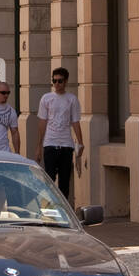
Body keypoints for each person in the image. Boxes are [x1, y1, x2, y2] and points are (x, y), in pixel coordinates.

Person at [35, 67, 83, 200]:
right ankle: (49, 207)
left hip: (66, 145)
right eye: (54, 81)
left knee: (65, 181)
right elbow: (42, 122)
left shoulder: (72, 99)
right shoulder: (46, 98)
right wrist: (39, 146)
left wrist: (80, 143)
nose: (56, 84)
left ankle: (63, 209)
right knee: (49, 179)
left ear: (66, 81)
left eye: (60, 81)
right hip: (50, 143)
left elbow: (75, 122)